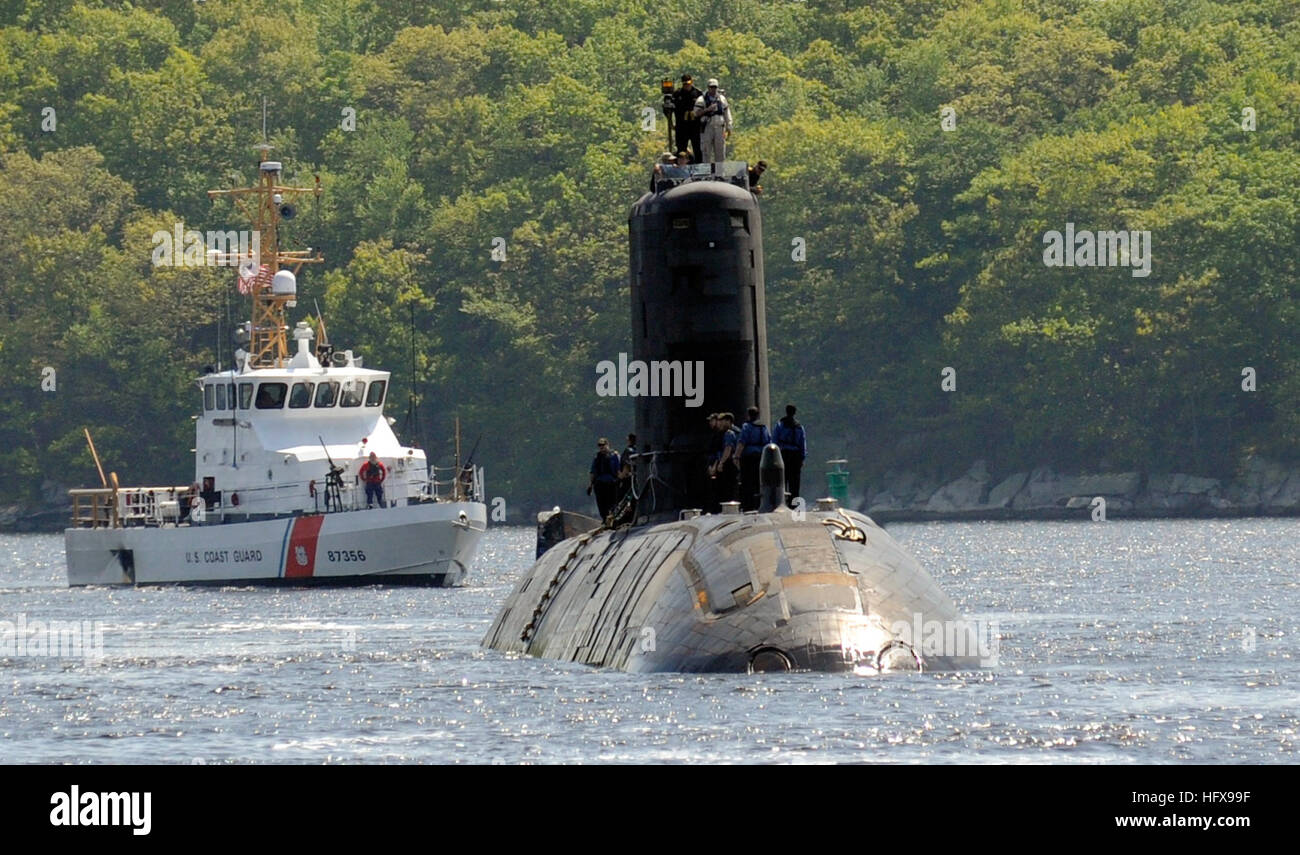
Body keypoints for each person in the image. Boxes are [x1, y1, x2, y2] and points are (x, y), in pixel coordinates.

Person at [736, 406, 770, 511]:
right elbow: (768, 442)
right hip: (761, 458)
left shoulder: (746, 426)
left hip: (748, 458)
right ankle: (759, 504)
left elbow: (742, 442)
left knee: (747, 482)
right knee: (759, 482)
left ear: (749, 415)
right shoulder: (763, 427)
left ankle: (748, 505)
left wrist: (736, 456)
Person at [772, 404, 807, 507]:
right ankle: (794, 505)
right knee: (795, 483)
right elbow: (803, 444)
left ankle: (782, 502)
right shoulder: (800, 427)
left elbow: (774, 442)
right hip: (796, 457)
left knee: (782, 480)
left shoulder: (780, 425)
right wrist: (802, 459)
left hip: (783, 455)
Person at [694, 79, 732, 163]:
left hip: (719, 128)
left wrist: (729, 126)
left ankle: (720, 173)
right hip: (707, 127)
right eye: (711, 87)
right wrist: (708, 109)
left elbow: (726, 112)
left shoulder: (722, 99)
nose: (713, 89)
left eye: (715, 87)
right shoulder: (701, 99)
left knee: (720, 152)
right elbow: (696, 113)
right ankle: (707, 172)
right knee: (706, 151)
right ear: (708, 87)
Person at [673, 75, 704, 165]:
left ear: (692, 82)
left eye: (688, 84)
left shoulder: (698, 94)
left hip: (695, 126)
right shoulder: (677, 94)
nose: (687, 86)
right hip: (682, 126)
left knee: (698, 149)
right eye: (685, 84)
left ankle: (699, 167)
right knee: (681, 149)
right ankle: (681, 167)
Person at [587, 437, 621, 519]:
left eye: (603, 445)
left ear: (607, 445)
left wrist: (620, 480)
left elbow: (618, 470)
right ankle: (605, 519)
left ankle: (613, 517)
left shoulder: (614, 456)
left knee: (612, 503)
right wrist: (590, 485)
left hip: (611, 483)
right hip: (600, 484)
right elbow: (592, 472)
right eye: (600, 445)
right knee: (602, 504)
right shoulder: (597, 458)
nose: (601, 447)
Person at [618, 433, 637, 500]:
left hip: (628, 479)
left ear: (629, 440)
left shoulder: (628, 451)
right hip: (637, 478)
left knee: (621, 497)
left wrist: (621, 477)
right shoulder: (638, 449)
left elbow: (627, 465)